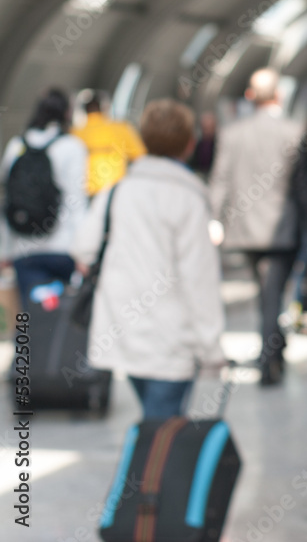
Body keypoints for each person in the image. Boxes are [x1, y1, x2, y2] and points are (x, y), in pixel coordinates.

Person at [71, 99, 225, 419]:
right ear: (189, 143)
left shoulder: (116, 191)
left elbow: (84, 248)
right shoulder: (189, 197)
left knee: (156, 421)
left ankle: (149, 466)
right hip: (171, 338)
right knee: (162, 430)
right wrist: (212, 348)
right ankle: (147, 470)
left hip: (122, 330)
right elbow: (199, 277)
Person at [209, 68, 303, 386]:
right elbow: (302, 186)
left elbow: (219, 180)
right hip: (283, 228)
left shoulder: (233, 134)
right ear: (279, 96)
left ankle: (273, 350)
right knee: (272, 295)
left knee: (266, 293)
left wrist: (215, 219)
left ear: (250, 96)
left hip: (245, 228)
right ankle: (269, 359)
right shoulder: (294, 132)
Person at [0, 88, 88, 307]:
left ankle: (24, 342)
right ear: (67, 113)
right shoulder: (72, 147)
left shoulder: (16, 145)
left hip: (23, 248)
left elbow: (7, 198)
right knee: (59, 324)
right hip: (63, 249)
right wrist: (84, 253)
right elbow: (77, 202)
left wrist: (4, 249)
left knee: (28, 321)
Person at [71, 89, 146, 197]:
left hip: (85, 195)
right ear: (105, 107)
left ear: (84, 110)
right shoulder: (123, 128)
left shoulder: (74, 133)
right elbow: (141, 158)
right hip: (115, 195)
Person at [188, 110, 218, 180]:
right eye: (205, 128)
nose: (207, 131)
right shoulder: (198, 144)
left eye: (209, 128)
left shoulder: (218, 144)